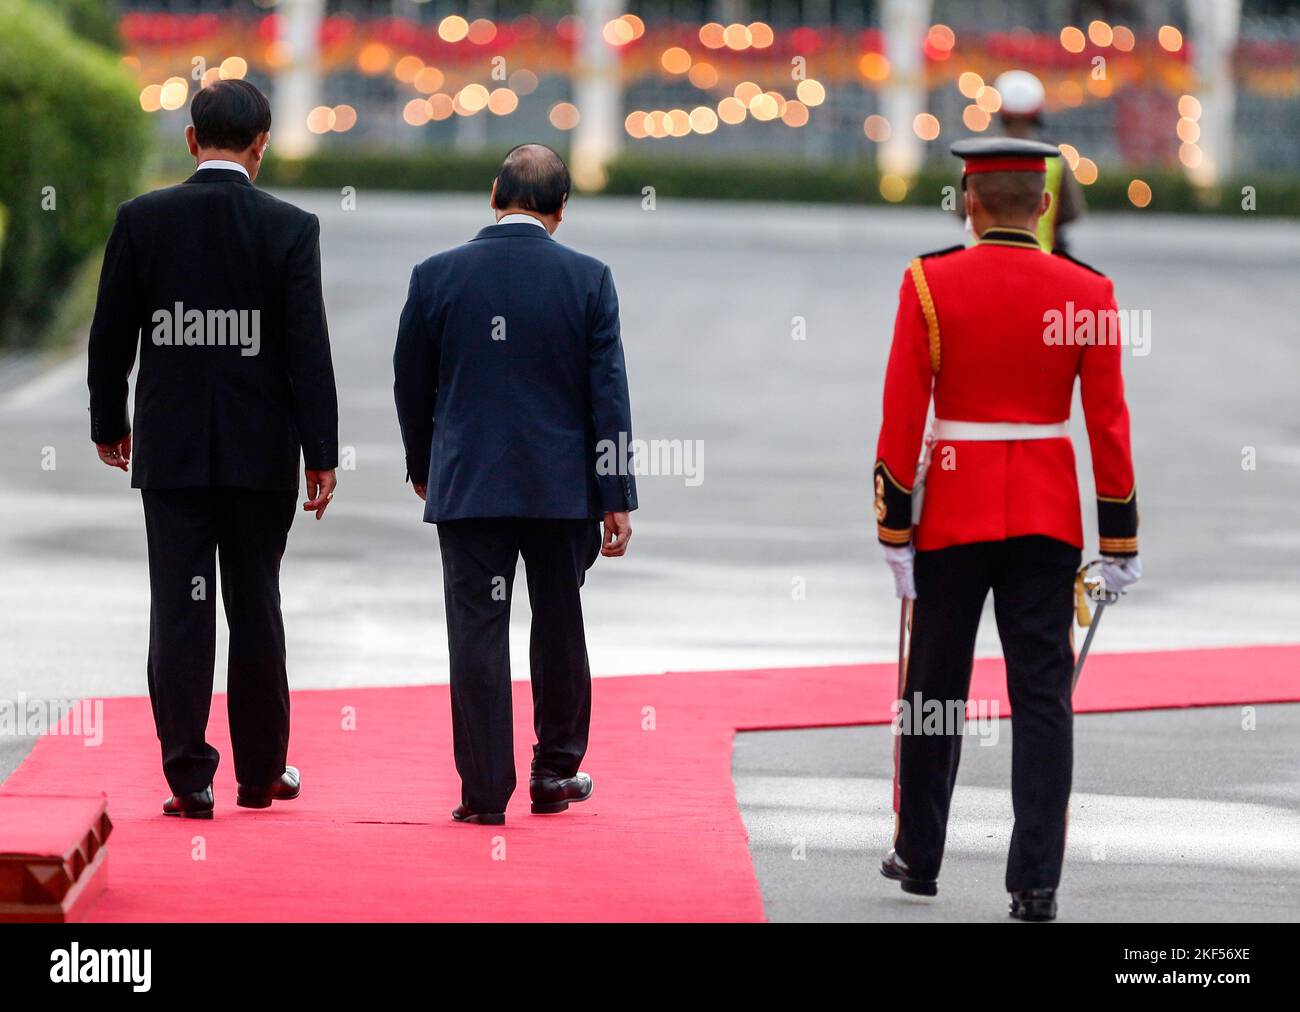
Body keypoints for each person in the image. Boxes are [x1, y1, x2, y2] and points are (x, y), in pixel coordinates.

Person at [873, 137, 1141, 921]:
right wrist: (1118, 539)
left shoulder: (929, 283)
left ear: (968, 201)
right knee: (1044, 699)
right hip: (1046, 516)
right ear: (1047, 205)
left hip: (951, 515)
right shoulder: (1086, 292)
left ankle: (920, 858)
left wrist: (894, 523)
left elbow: (902, 410)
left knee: (932, 693)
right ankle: (1035, 884)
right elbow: (1109, 425)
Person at [87, 79, 338, 819]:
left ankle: (188, 777)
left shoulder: (142, 220)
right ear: (261, 147)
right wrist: (320, 451)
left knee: (180, 607)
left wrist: (110, 424)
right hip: (262, 456)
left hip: (169, 452)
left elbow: (110, 337)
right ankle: (261, 774)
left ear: (192, 141)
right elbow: (306, 352)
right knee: (255, 607)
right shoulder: (291, 227)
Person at [393, 144, 637, 826]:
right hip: (561, 492)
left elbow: (411, 383)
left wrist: (424, 465)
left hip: (470, 486)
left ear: (493, 193)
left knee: (476, 631)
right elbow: (607, 395)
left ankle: (483, 792)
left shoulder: (436, 275)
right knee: (559, 625)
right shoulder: (589, 280)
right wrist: (615, 492)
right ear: (562, 209)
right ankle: (556, 771)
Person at [991, 70, 1085, 252]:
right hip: (1040, 256)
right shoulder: (1054, 158)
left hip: (984, 259)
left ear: (1001, 111)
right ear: (1038, 113)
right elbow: (1072, 211)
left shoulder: (978, 155)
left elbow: (963, 211)